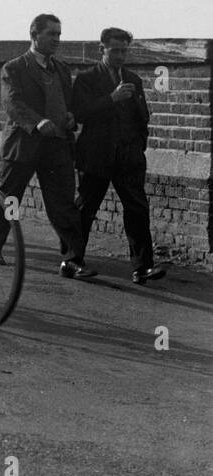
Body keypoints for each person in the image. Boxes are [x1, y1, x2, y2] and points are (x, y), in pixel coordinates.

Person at [0, 14, 94, 280]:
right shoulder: (14, 68)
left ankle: (72, 260)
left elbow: (66, 102)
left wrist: (70, 116)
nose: (57, 39)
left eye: (59, 34)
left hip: (57, 145)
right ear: (34, 35)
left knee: (62, 205)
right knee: (11, 199)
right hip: (24, 145)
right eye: (51, 34)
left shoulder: (61, 69)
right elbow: (12, 103)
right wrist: (37, 122)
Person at [72, 27, 165, 284]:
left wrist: (138, 146)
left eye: (124, 51)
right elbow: (80, 113)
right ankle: (72, 260)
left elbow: (141, 116)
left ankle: (143, 267)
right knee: (85, 209)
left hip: (128, 157)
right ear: (101, 49)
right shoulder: (87, 79)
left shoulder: (134, 79)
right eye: (115, 50)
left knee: (137, 209)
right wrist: (111, 99)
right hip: (96, 155)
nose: (121, 56)